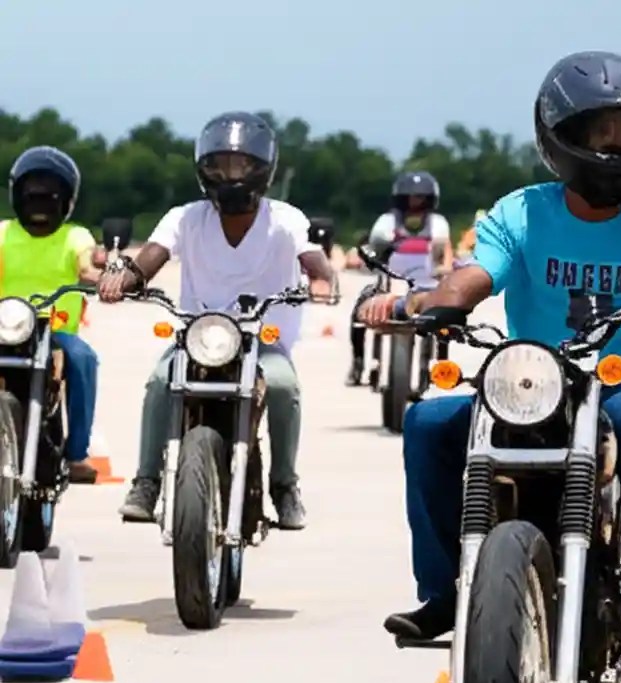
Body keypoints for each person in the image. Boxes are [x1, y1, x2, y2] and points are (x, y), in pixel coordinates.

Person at [358, 50, 621, 643]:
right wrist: (422, 305)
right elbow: (473, 275)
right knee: (429, 423)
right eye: (602, 131)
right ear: (559, 135)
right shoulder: (523, 211)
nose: (618, 147)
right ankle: (442, 591)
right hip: (533, 387)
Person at [99, 111, 336, 531]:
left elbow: (314, 260)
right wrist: (126, 277)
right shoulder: (185, 217)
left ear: (263, 168)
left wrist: (321, 280)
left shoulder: (286, 220)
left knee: (283, 386)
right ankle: (146, 483)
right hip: (197, 339)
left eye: (241, 165)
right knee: (159, 382)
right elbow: (150, 259)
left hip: (264, 342)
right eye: (219, 165)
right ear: (203, 168)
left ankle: (284, 485)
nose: (230, 176)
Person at [0, 147, 103, 482]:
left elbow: (87, 264)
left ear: (66, 200)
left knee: (83, 358)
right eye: (33, 195)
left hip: (54, 332)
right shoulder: (3, 233)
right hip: (5, 328)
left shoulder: (75, 235)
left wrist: (104, 277)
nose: (40, 204)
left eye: (49, 196)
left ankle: (76, 455)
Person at [345, 172, 452, 386]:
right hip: (390, 281)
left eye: (421, 197)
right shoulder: (387, 222)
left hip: (427, 285)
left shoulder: (437, 223)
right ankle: (358, 363)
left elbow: (443, 252)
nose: (415, 202)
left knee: (447, 318)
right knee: (358, 311)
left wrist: (444, 271)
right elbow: (374, 249)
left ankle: (440, 367)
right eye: (411, 197)